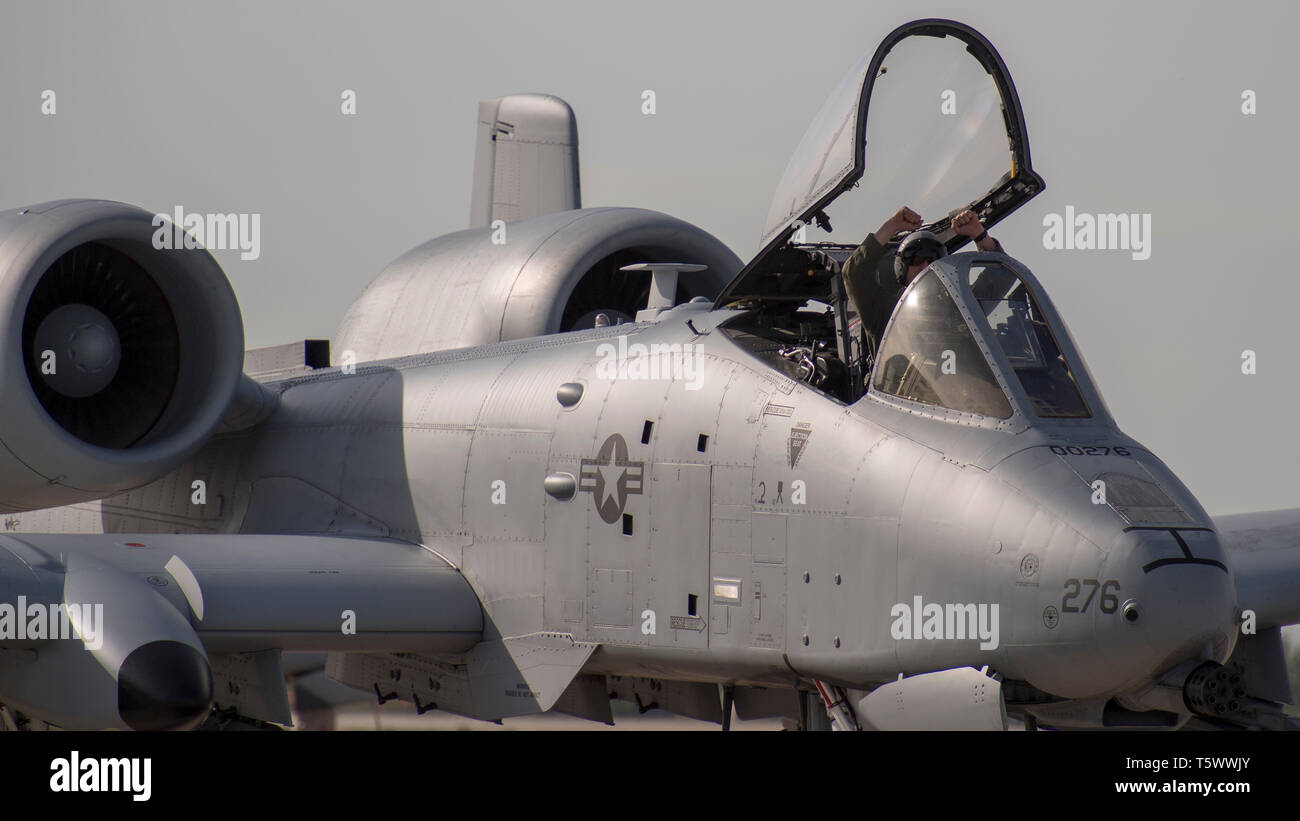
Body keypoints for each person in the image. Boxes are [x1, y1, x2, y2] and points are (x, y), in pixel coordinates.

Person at [839, 206, 1003, 367]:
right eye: (916, 258)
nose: (925, 265)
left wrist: (979, 234)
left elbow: (998, 278)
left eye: (932, 259)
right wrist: (893, 225)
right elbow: (854, 273)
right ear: (901, 268)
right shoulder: (887, 312)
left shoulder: (959, 310)